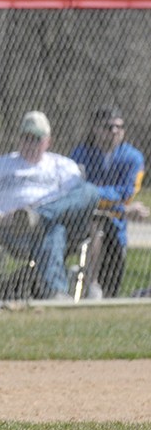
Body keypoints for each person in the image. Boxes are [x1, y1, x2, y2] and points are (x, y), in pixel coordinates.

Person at [0, 110, 100, 299]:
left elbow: (80, 200)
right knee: (53, 230)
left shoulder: (63, 165)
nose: (30, 144)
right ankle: (57, 293)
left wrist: (38, 215)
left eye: (36, 138)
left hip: (56, 223)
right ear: (18, 138)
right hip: (15, 230)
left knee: (90, 191)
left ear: (48, 141)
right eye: (26, 137)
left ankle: (38, 215)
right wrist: (1, 219)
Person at [67, 107, 147, 298]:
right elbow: (73, 188)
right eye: (108, 126)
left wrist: (92, 194)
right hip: (82, 219)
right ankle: (84, 281)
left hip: (116, 224)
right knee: (95, 226)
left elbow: (126, 194)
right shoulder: (80, 153)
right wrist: (114, 202)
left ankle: (89, 282)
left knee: (112, 291)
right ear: (95, 128)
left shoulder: (133, 157)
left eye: (119, 127)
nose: (114, 131)